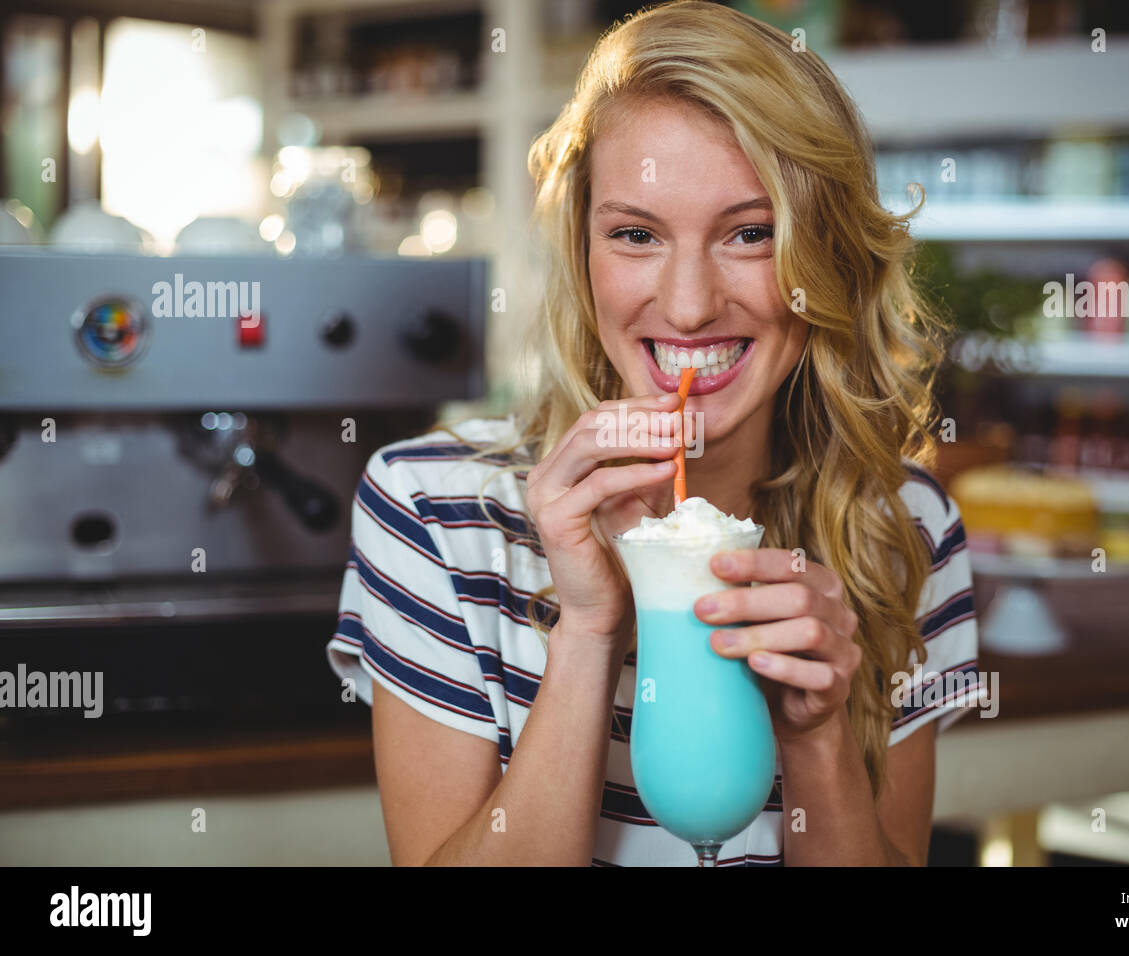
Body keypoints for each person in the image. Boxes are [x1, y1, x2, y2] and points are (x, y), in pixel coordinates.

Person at [327, 0, 978, 866]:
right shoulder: (437, 509)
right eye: (636, 234)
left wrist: (819, 738)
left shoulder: (901, 525)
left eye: (751, 233)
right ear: (583, 252)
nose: (688, 305)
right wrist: (588, 634)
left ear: (825, 258)